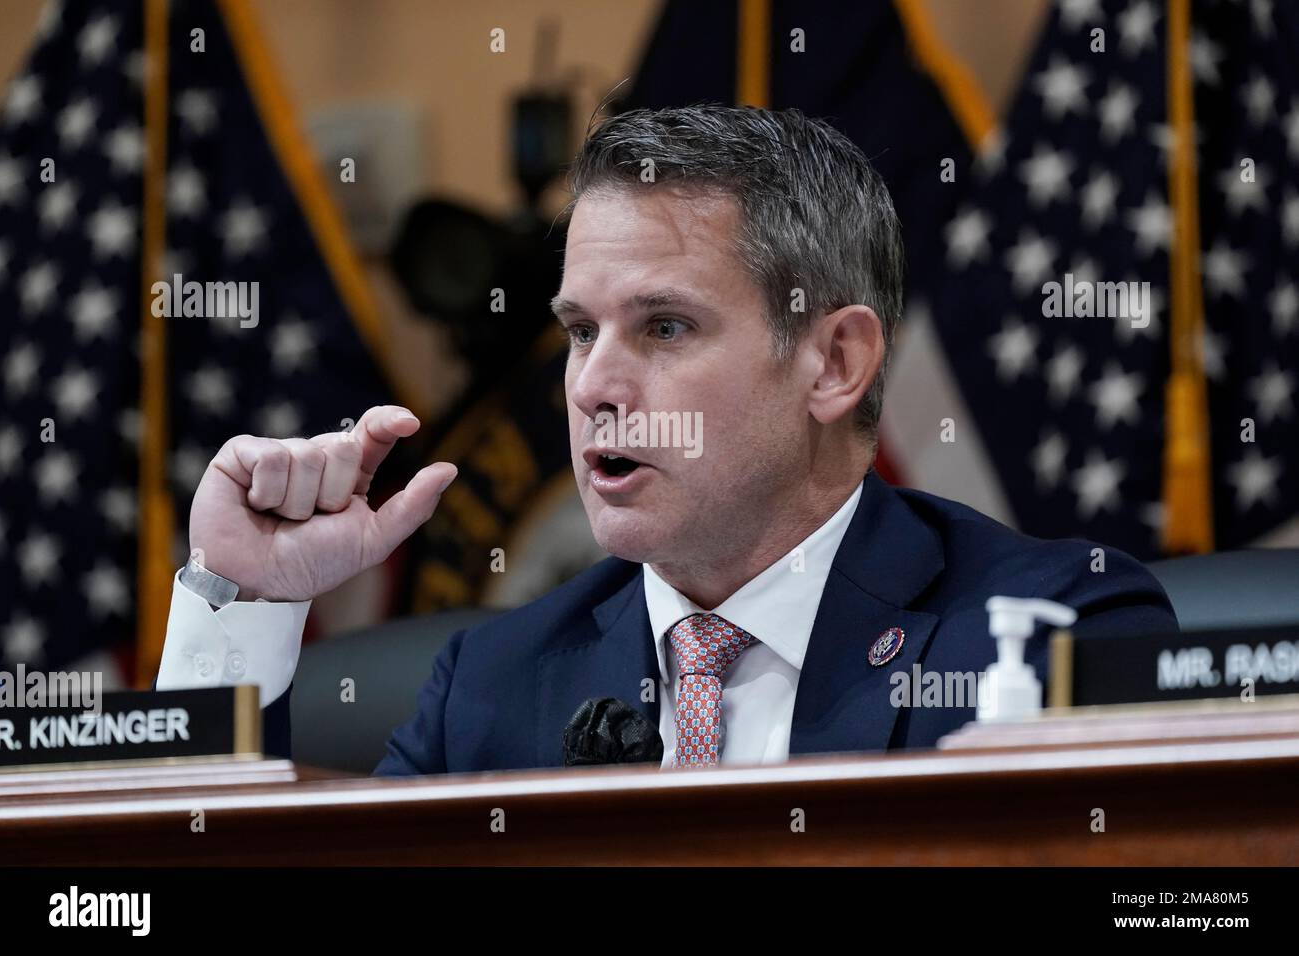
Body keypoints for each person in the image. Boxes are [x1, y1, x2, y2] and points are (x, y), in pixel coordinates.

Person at [157, 104, 1178, 774]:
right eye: (578, 331)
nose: (594, 384)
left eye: (665, 326)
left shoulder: (1052, 635)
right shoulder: (494, 686)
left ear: (833, 363)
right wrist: (241, 605)